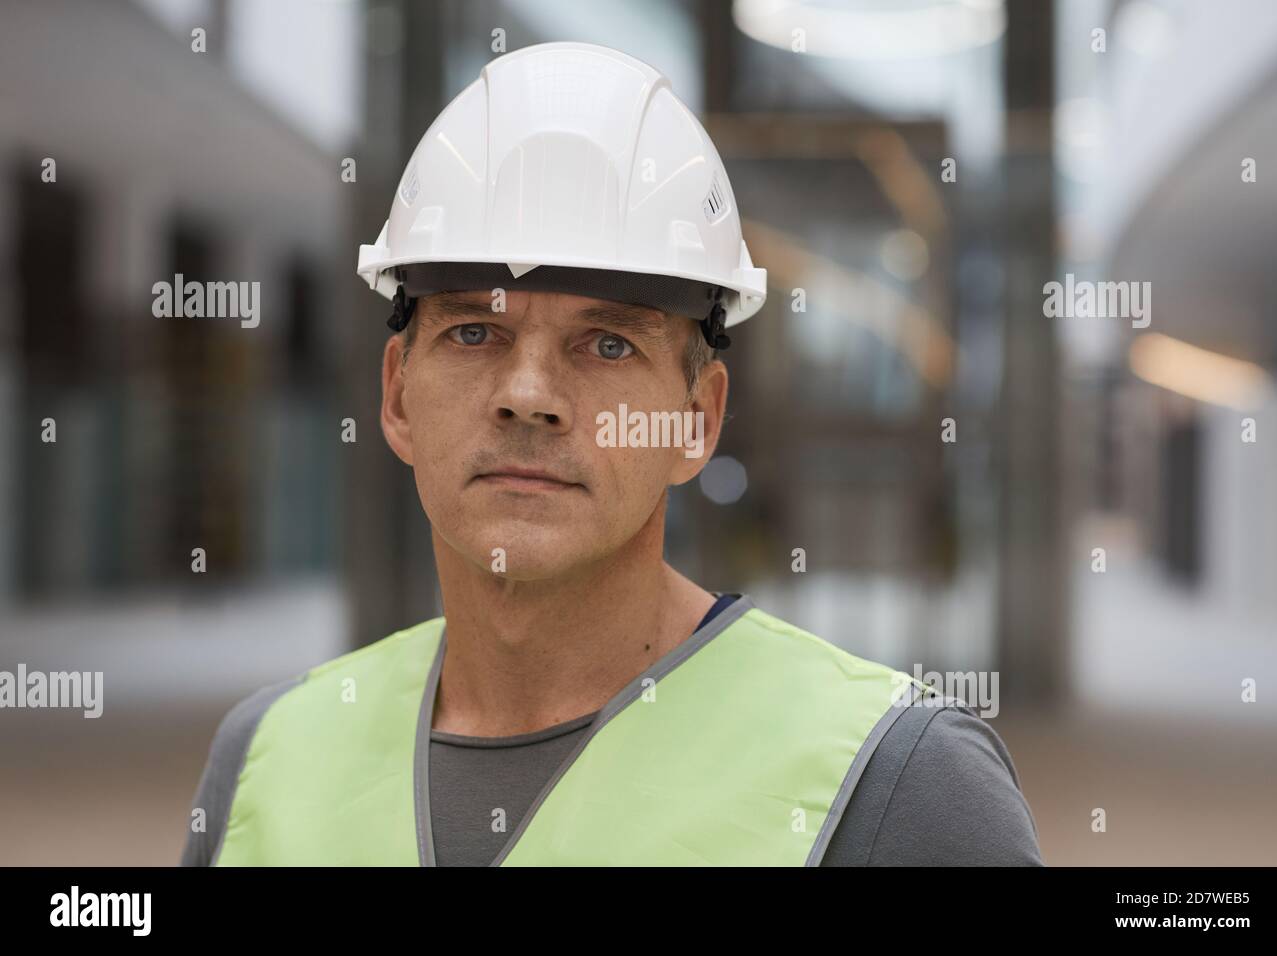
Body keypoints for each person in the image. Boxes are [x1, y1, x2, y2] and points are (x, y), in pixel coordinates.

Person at [181, 41, 1043, 866]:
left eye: (607, 345)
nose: (529, 394)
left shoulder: (901, 792)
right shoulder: (265, 761)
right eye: (475, 332)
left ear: (697, 421)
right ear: (398, 394)